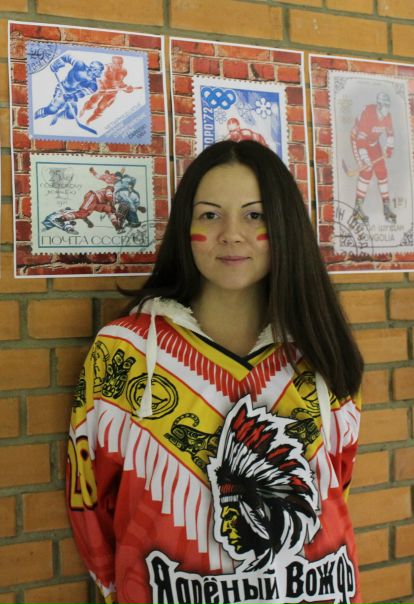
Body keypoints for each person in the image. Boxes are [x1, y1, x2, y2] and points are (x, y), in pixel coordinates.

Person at [66, 140, 364, 604]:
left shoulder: (322, 348)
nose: (231, 234)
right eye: (209, 215)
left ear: (283, 224)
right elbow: (89, 497)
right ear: (185, 228)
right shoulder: (123, 351)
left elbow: (338, 481)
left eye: (254, 215)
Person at [350, 91, 396, 223]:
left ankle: (386, 206)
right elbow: (361, 139)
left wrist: (389, 148)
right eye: (384, 105)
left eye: (388, 105)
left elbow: (390, 134)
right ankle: (358, 208)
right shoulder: (368, 114)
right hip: (358, 140)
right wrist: (365, 158)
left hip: (374, 143)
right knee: (367, 171)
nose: (386, 108)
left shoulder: (387, 116)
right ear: (379, 105)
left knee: (382, 172)